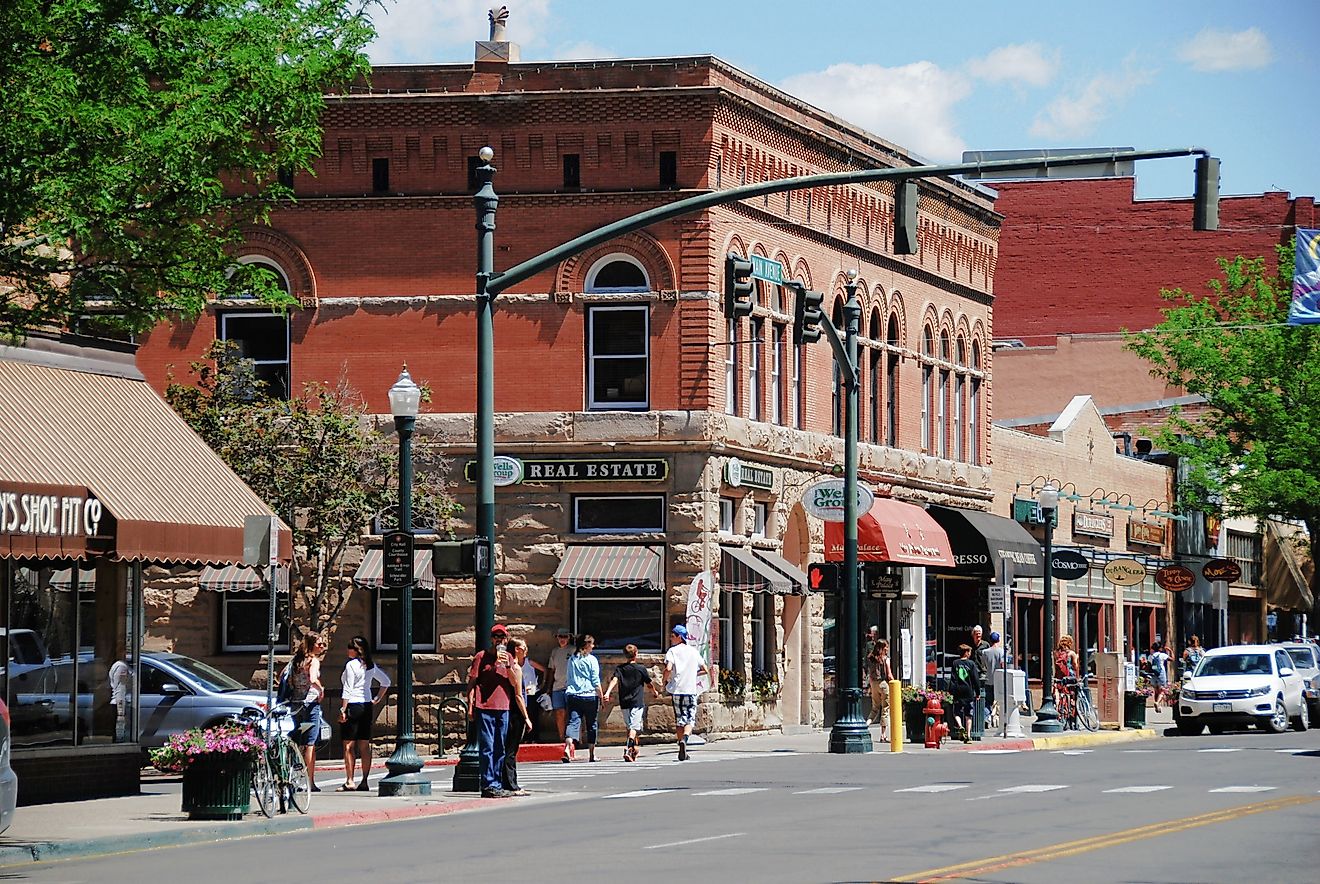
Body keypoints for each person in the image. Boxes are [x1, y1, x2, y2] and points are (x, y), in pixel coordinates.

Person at [468, 623, 516, 798]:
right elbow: (472, 683)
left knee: (499, 747)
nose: (499, 640)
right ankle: (488, 784)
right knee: (487, 746)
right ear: (491, 639)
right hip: (485, 706)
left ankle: (497, 783)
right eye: (496, 637)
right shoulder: (481, 657)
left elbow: (514, 683)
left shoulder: (509, 657)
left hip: (503, 706)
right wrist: (470, 706)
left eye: (502, 637)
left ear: (506, 639)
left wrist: (506, 666)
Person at [339, 635, 391, 792]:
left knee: (348, 744)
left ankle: (349, 780)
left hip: (353, 705)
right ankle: (365, 780)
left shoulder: (351, 665)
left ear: (356, 650)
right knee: (364, 744)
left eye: (350, 647)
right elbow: (386, 682)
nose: (348, 650)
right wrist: (377, 698)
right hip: (366, 705)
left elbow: (347, 687)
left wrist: (343, 708)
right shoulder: (370, 665)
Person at [603, 643, 659, 761]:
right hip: (636, 701)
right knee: (634, 727)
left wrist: (607, 692)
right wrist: (655, 692)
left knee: (629, 727)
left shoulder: (620, 669)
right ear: (636, 653)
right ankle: (629, 747)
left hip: (624, 702)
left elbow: (614, 680)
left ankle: (634, 750)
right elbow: (649, 683)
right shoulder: (641, 669)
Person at [663, 624, 711, 761]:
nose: (671, 638)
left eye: (673, 636)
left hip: (677, 690)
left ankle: (680, 744)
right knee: (689, 718)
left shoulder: (672, 651)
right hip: (690, 690)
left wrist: (664, 680)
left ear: (680, 637)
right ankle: (685, 739)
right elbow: (705, 669)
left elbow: (668, 668)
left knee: (679, 719)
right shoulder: (693, 651)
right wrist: (693, 674)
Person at [286, 632, 326, 792]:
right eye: (320, 644)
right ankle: (309, 781)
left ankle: (296, 778)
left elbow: (284, 676)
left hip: (295, 704)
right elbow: (312, 678)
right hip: (310, 705)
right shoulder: (313, 661)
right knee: (310, 743)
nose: (322, 647)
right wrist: (321, 689)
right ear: (312, 645)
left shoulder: (296, 660)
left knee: (298, 741)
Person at [562, 633, 603, 763]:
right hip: (590, 694)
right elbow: (595, 680)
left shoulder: (572, 659)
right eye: (591, 644)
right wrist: (601, 696)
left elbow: (568, 677)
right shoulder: (591, 660)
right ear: (586, 645)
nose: (593, 646)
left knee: (573, 721)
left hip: (573, 694)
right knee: (592, 724)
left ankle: (568, 746)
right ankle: (591, 753)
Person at [502, 638, 534, 796]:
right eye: (523, 647)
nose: (526, 649)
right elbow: (518, 696)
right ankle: (511, 784)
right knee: (511, 750)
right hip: (516, 712)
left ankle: (510, 782)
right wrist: (526, 717)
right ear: (516, 650)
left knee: (508, 749)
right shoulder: (516, 668)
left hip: (509, 710)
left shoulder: (510, 667)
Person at [543, 627, 573, 741]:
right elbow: (551, 669)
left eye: (565, 637)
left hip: (571, 687)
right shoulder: (554, 652)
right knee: (559, 713)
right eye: (560, 637)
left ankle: (573, 738)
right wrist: (548, 687)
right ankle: (562, 737)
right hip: (557, 686)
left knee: (572, 714)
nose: (562, 639)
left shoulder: (573, 650)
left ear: (569, 638)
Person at [866, 638, 894, 737]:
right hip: (883, 684)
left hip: (874, 684)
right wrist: (894, 683)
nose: (887, 649)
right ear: (882, 648)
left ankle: (866, 725)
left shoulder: (871, 658)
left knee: (874, 708)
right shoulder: (886, 659)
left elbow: (869, 673)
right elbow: (889, 675)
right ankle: (883, 734)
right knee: (885, 709)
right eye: (886, 647)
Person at [950, 644, 977, 743]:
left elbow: (953, 679)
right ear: (967, 653)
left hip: (958, 691)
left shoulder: (955, 663)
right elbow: (975, 679)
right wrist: (977, 692)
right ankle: (968, 735)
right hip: (968, 691)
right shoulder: (971, 664)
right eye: (969, 652)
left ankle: (960, 726)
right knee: (968, 714)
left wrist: (951, 691)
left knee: (956, 712)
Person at [108, 656, 133, 743]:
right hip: (121, 703)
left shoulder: (124, 665)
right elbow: (120, 689)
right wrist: (121, 712)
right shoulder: (121, 667)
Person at [980, 631, 1005, 716]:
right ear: (998, 640)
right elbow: (1003, 665)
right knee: (999, 701)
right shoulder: (1001, 652)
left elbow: (983, 665)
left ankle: (987, 717)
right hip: (999, 681)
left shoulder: (984, 652)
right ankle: (997, 718)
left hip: (988, 679)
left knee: (988, 701)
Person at [1148, 641, 1171, 711]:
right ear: (1160, 648)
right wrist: (1170, 650)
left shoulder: (1150, 656)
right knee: (1162, 691)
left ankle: (1157, 706)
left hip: (1153, 674)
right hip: (1161, 673)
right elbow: (1172, 659)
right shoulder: (1162, 655)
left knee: (1156, 690)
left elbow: (1149, 666)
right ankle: (1157, 702)